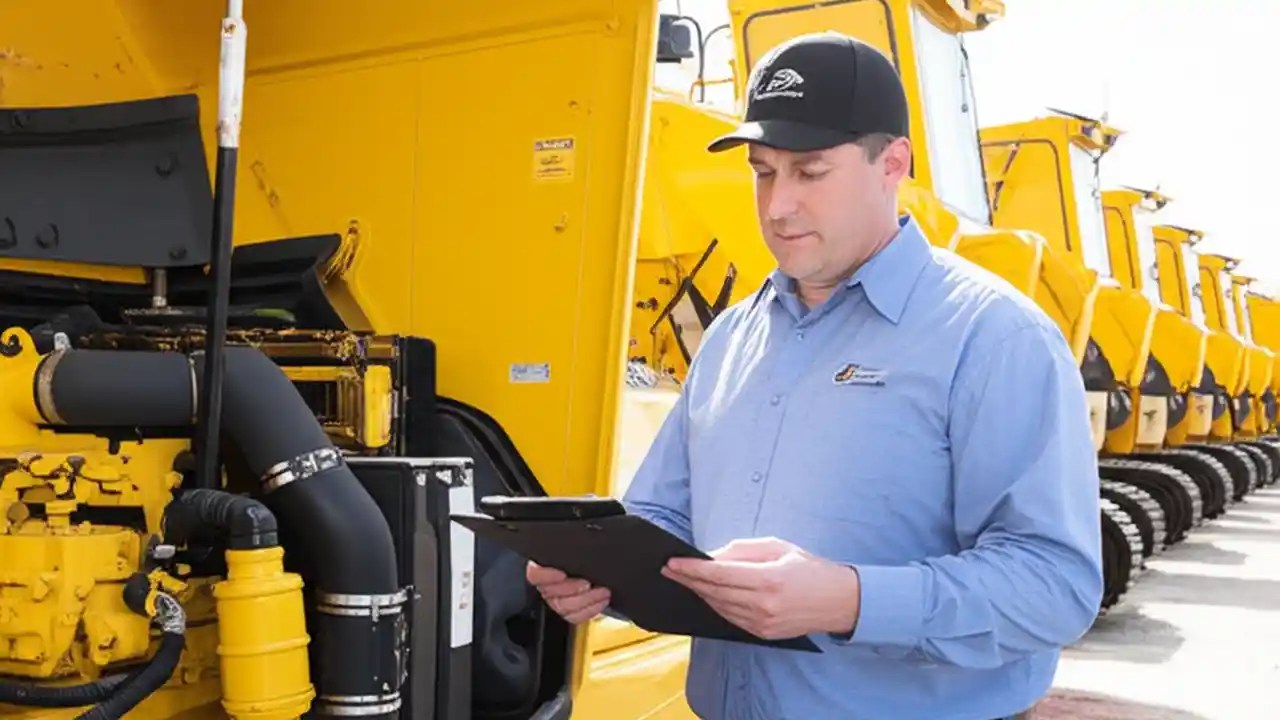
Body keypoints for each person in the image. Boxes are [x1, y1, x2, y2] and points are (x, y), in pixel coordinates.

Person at [526, 31, 1103, 720]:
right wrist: (598, 568)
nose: (777, 206)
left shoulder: (993, 337)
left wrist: (850, 600)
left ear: (892, 163)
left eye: (810, 171)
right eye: (764, 171)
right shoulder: (732, 337)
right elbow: (666, 515)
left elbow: (1055, 584)